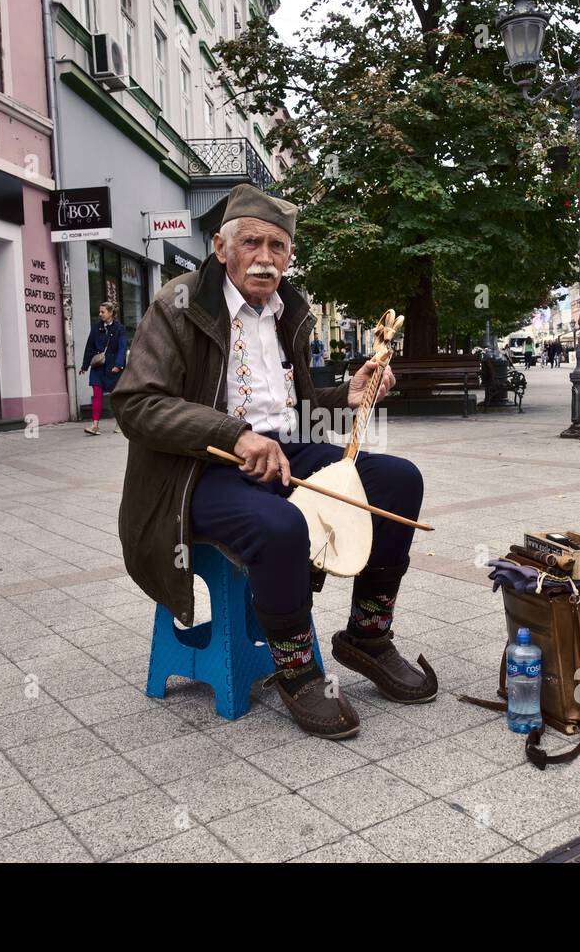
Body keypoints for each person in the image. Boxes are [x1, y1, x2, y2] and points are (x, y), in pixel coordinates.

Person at [113, 183, 436, 742]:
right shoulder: (179, 303)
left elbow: (294, 407)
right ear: (220, 247)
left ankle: (367, 636)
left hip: (283, 449)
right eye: (252, 243)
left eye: (279, 247)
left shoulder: (290, 310)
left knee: (399, 480)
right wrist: (234, 436)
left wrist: (346, 396)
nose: (266, 258)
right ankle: (296, 669)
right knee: (280, 525)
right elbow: (137, 404)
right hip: (196, 470)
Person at [80, 302, 127, 435]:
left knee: (116, 397)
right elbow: (89, 347)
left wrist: (118, 365)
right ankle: (95, 425)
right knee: (97, 394)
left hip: (113, 367)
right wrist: (85, 365)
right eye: (99, 312)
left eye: (103, 312)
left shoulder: (119, 328)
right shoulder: (96, 328)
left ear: (110, 313)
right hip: (98, 366)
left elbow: (122, 348)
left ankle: (120, 423)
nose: (100, 314)